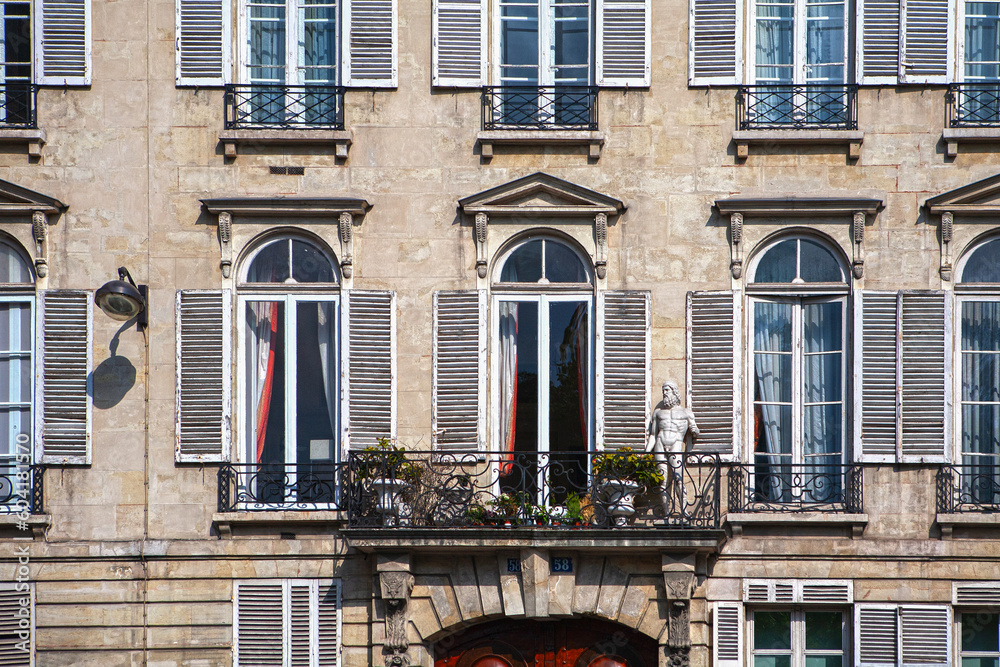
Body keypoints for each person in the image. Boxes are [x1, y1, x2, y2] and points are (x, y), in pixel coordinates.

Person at [647, 381, 699, 516]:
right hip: (660, 443)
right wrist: (646, 453)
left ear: (675, 392)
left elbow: (695, 431)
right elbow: (653, 434)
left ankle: (683, 510)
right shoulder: (658, 413)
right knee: (662, 480)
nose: (664, 393)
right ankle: (666, 512)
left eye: (667, 390)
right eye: (663, 390)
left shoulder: (686, 412)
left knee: (678, 478)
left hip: (676, 443)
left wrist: (695, 431)